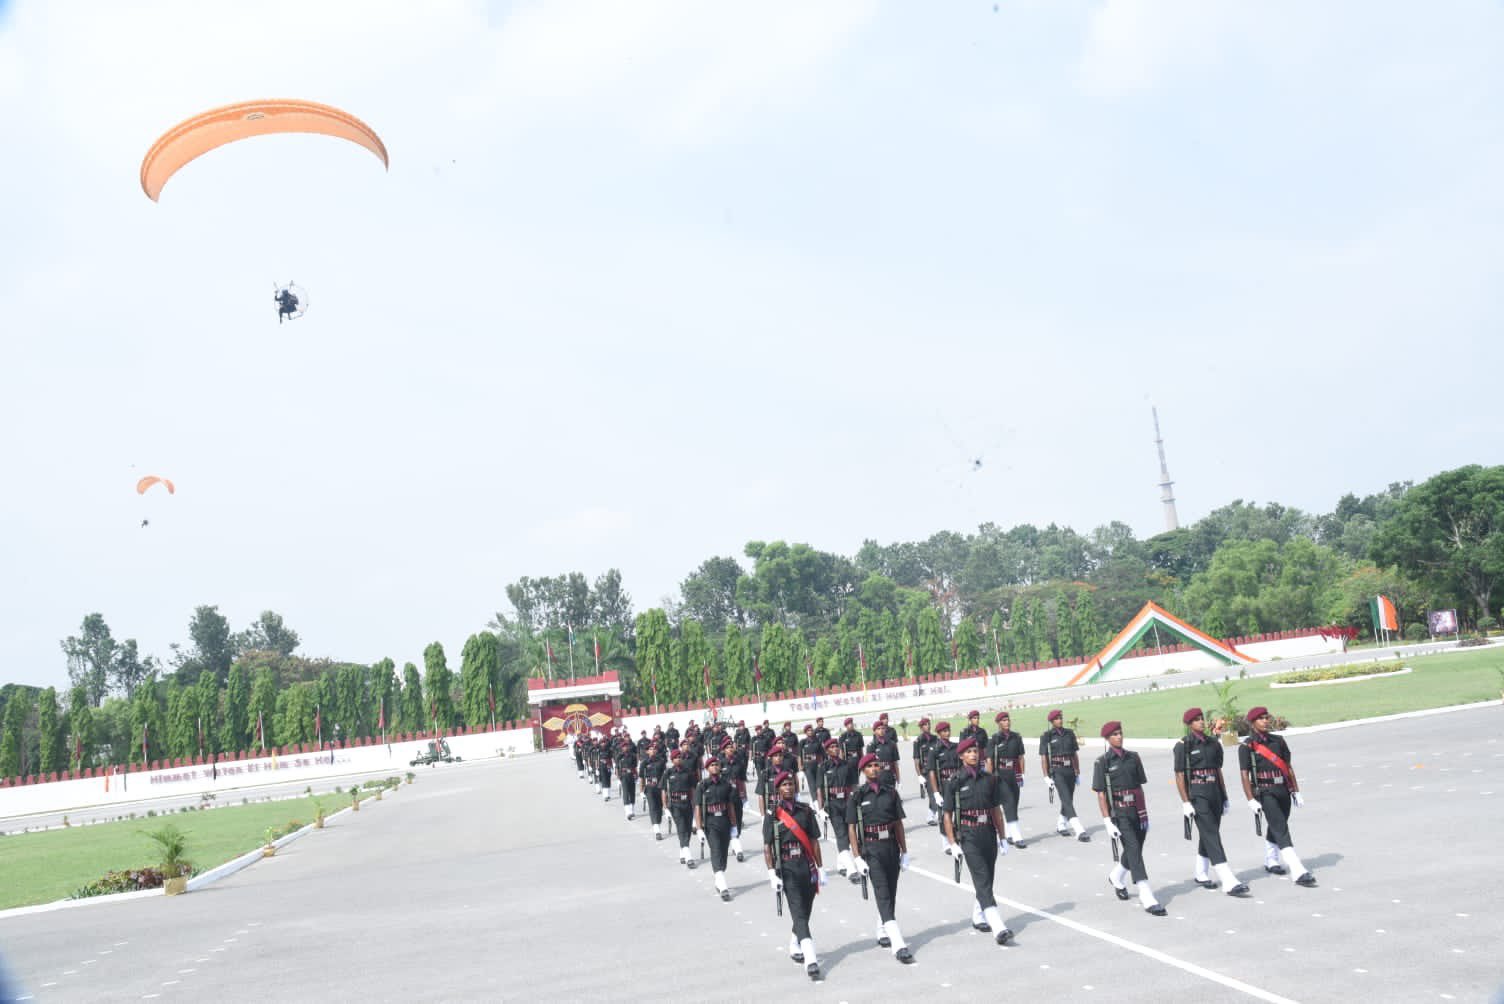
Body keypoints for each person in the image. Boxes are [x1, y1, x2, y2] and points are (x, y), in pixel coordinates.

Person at [941, 738, 1014, 944]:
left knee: (987, 877)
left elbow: (995, 810)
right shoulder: (954, 782)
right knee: (981, 877)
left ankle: (978, 915)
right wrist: (953, 843)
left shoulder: (989, 779)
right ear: (961, 756)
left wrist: (1003, 836)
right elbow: (947, 815)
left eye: (976, 750)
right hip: (968, 833)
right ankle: (998, 926)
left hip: (987, 832)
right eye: (969, 751)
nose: (974, 754)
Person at [1092, 721, 1166, 916]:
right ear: (1107, 739)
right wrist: (1107, 821)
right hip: (1119, 813)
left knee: (1135, 848)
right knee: (1133, 849)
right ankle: (1146, 894)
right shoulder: (1103, 762)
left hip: (1137, 810)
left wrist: (1144, 812)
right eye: (1115, 734)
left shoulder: (1133, 757)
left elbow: (1139, 786)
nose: (1119, 736)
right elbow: (1101, 794)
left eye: (1120, 733)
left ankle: (1116, 876)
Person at [1173, 708, 1249, 896]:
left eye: (1202, 719)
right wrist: (1185, 802)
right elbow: (1179, 775)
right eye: (1196, 720)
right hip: (1197, 793)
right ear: (1189, 724)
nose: (1201, 722)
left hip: (1214, 791)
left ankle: (1201, 873)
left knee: (1209, 832)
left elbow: (1217, 770)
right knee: (1212, 834)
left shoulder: (1212, 743)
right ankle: (1228, 880)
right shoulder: (1184, 745)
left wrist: (1224, 797)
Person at [1238, 706, 1316, 887]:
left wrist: (1295, 790)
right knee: (1280, 826)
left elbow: (1288, 767)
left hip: (1282, 788)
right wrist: (1250, 799)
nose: (1265, 721)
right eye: (1261, 718)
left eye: (1267, 717)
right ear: (1252, 722)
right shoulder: (1247, 746)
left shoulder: (1278, 741)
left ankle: (1270, 859)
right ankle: (1297, 869)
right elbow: (1244, 774)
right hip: (1265, 791)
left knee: (1279, 823)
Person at [848, 753, 915, 963]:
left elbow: (898, 824)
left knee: (891, 892)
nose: (875, 769)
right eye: (870, 766)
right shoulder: (857, 796)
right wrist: (857, 856)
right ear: (863, 771)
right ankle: (898, 945)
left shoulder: (891, 793)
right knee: (883, 892)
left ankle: (882, 928)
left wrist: (904, 851)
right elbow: (851, 828)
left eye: (877, 765)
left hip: (890, 847)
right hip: (871, 848)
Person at [764, 771, 827, 981]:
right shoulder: (772, 815)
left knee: (806, 909)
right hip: (787, 868)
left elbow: (814, 840)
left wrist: (820, 867)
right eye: (784, 785)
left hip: (806, 865)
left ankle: (794, 941)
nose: (789, 788)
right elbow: (767, 847)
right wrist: (772, 873)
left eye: (791, 784)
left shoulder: (806, 811)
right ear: (778, 790)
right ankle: (811, 958)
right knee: (798, 912)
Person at [1039, 709, 1089, 841]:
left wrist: (1077, 772)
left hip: (1070, 770)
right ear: (1051, 721)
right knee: (1066, 799)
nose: (1059, 720)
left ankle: (1061, 825)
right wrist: (1046, 776)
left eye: (1060, 718)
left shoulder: (1069, 733)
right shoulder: (1047, 736)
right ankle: (1079, 830)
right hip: (1057, 771)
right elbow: (1044, 757)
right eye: (1056, 718)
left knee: (1068, 800)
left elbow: (1074, 754)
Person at [696, 755, 739, 901]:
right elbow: (697, 807)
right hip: (710, 822)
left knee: (723, 853)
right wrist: (699, 828)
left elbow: (731, 806)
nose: (715, 767)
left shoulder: (726, 785)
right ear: (707, 769)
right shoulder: (702, 785)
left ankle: (719, 877)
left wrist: (734, 826)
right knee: (715, 850)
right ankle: (722, 883)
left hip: (724, 821)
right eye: (711, 765)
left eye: (717, 765)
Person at [817, 737, 859, 878]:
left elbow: (854, 785)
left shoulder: (847, 765)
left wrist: (856, 800)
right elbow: (819, 789)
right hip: (832, 804)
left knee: (848, 834)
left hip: (847, 802)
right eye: (832, 747)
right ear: (827, 750)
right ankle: (851, 869)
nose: (835, 748)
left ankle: (841, 864)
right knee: (841, 834)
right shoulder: (823, 767)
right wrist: (820, 808)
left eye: (837, 746)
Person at [988, 711, 1028, 848]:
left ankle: (1008, 834)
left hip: (1013, 773)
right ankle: (1017, 837)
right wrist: (988, 779)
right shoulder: (994, 739)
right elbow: (989, 761)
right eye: (1004, 720)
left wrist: (1022, 774)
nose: (1007, 722)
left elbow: (1021, 757)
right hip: (1000, 775)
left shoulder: (1016, 737)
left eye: (1008, 720)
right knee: (1009, 802)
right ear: (998, 723)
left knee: (1014, 804)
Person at [925, 721, 960, 841]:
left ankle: (957, 835)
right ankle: (946, 841)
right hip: (943, 784)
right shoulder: (934, 749)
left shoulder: (956, 747)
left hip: (956, 783)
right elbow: (932, 772)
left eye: (948, 730)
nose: (948, 733)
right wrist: (935, 793)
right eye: (944, 731)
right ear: (939, 733)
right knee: (945, 813)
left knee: (958, 809)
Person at [665, 747, 698, 868]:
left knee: (688, 830)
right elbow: (664, 790)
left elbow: (693, 789)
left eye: (680, 757)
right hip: (675, 804)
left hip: (687, 804)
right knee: (681, 828)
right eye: (676, 758)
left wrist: (695, 805)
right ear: (672, 760)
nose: (679, 759)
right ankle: (688, 856)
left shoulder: (688, 772)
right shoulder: (669, 773)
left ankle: (682, 851)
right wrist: (665, 807)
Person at [641, 742, 667, 840]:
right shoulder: (644, 762)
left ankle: (658, 824)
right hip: (649, 787)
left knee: (659, 808)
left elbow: (665, 775)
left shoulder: (661, 761)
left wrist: (665, 789)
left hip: (660, 787)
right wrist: (641, 791)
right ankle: (657, 830)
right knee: (653, 807)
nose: (653, 750)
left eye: (654, 749)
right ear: (647, 751)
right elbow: (642, 777)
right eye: (650, 749)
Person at [912, 717, 937, 817]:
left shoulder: (935, 738)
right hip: (926, 771)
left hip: (936, 769)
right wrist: (919, 776)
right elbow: (916, 759)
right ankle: (934, 815)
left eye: (929, 724)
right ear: (921, 727)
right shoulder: (918, 742)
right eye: (926, 725)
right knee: (932, 793)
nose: (928, 726)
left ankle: (931, 814)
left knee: (938, 792)